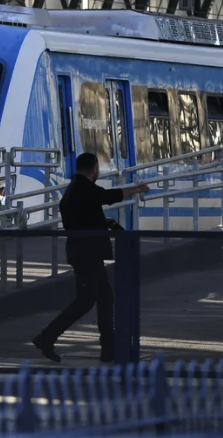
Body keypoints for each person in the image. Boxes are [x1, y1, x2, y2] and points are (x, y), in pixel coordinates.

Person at [32, 152, 149, 363]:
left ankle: (108, 349)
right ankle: (46, 337)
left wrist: (106, 223)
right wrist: (136, 189)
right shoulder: (83, 189)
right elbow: (107, 197)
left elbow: (87, 217)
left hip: (84, 253)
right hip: (87, 254)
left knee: (103, 299)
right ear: (94, 168)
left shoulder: (74, 190)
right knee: (85, 302)